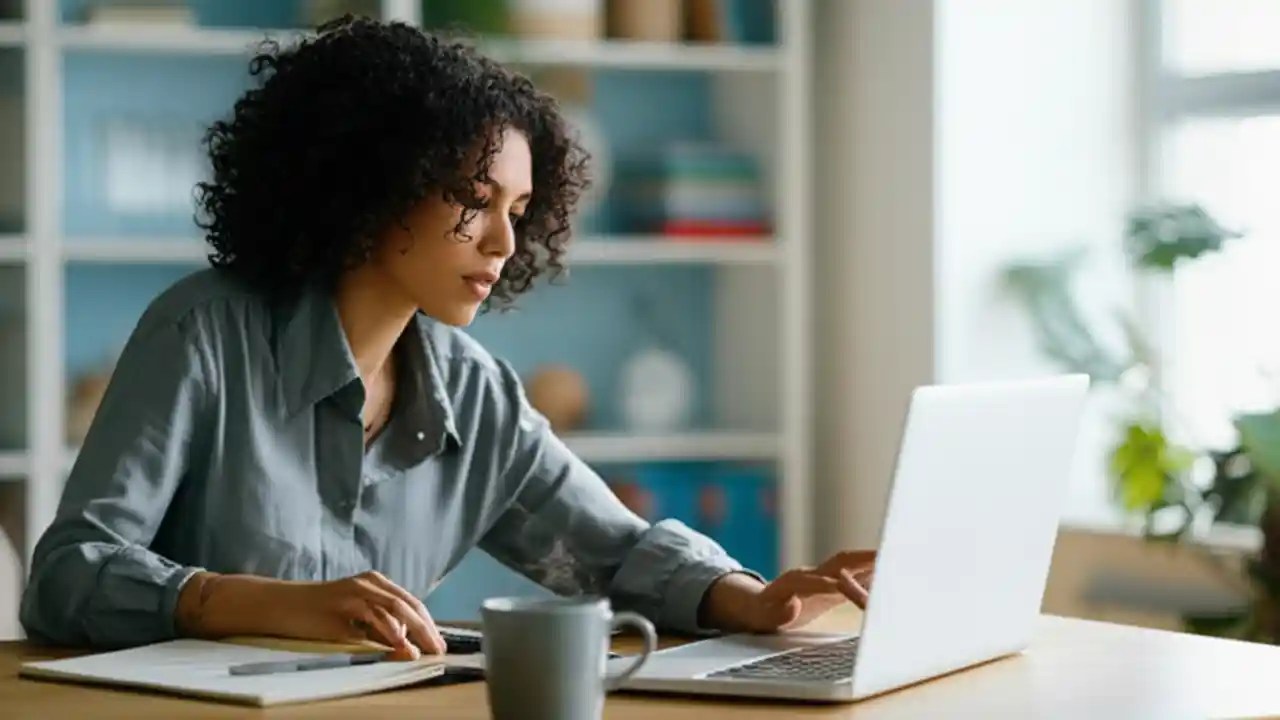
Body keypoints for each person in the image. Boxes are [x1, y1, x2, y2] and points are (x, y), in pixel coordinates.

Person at [19, 17, 875, 658]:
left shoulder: (476, 391)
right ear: (379, 181)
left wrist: (750, 598)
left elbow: (613, 555)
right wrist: (257, 603)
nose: (503, 245)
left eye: (518, 212)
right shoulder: (203, 332)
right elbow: (65, 577)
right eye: (474, 201)